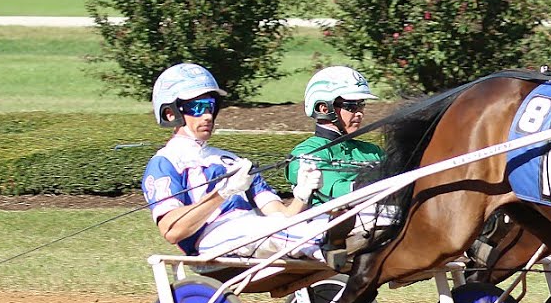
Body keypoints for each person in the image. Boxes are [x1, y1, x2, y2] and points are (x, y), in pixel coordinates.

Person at [142, 62, 327, 261]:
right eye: (197, 108)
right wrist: (222, 192)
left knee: (324, 221)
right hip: (211, 239)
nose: (207, 116)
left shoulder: (234, 161)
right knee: (279, 230)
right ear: (171, 113)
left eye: (210, 107)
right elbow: (172, 230)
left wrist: (302, 195)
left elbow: (281, 216)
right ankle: (326, 245)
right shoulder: (165, 162)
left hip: (255, 233)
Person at [286, 66, 397, 259]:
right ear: (324, 108)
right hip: (328, 227)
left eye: (361, 105)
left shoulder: (372, 151)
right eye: (351, 106)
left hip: (377, 218)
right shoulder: (305, 152)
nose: (360, 113)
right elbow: (336, 191)